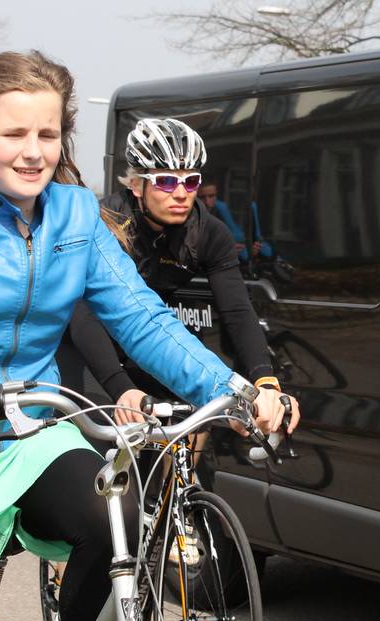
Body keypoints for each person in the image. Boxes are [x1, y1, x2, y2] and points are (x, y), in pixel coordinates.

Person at [0, 51, 292, 621]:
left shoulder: (76, 214)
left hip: (29, 435)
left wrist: (235, 389)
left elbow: (141, 319)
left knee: (117, 513)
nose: (34, 151)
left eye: (47, 134)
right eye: (13, 133)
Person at [65, 118, 301, 430]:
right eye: (165, 181)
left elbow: (238, 310)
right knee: (102, 442)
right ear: (136, 185)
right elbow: (83, 309)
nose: (181, 193)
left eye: (190, 182)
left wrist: (266, 380)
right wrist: (120, 387)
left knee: (188, 436)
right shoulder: (106, 223)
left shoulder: (209, 232)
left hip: (150, 343)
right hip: (90, 346)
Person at [198, 181, 273, 265]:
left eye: (211, 196)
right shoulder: (188, 216)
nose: (207, 201)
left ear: (216, 195)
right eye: (202, 197)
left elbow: (243, 238)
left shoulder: (222, 210)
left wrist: (254, 248)